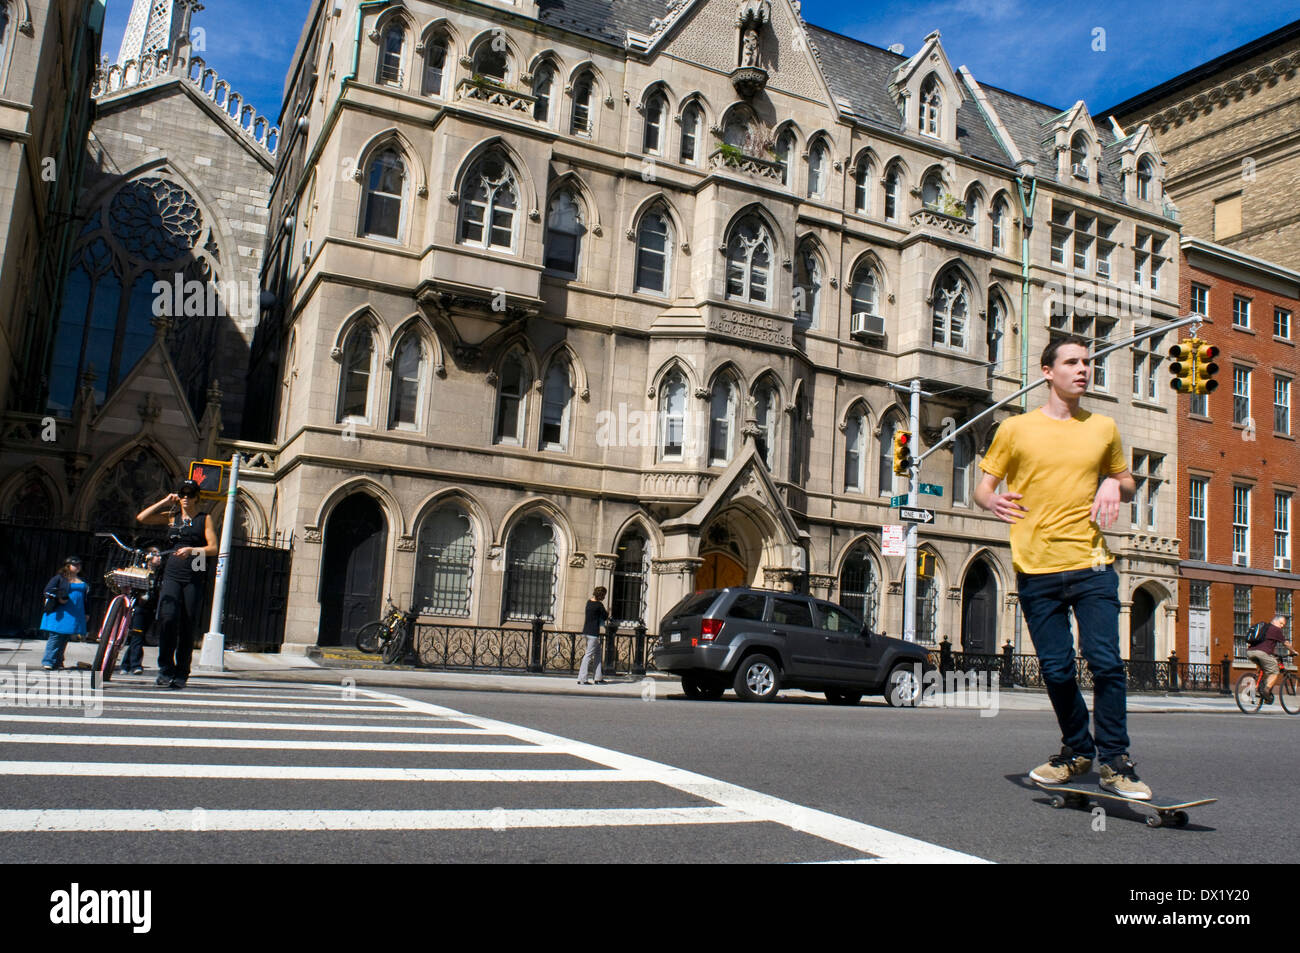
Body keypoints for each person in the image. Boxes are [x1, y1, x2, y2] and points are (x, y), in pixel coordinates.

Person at [974, 335, 1151, 800]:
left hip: (1092, 565)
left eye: (1087, 363)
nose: (1083, 369)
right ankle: (1076, 750)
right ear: (1047, 371)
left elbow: (1126, 479)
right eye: (1072, 362)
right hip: (1037, 569)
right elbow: (983, 487)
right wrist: (992, 499)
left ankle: (1115, 761)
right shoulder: (1016, 429)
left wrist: (1117, 485)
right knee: (1055, 670)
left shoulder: (1104, 428)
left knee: (1107, 664)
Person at [136, 480, 218, 690]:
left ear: (197, 498)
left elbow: (213, 547)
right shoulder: (173, 517)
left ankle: (182, 671)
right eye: (183, 494)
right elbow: (142, 518)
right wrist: (165, 500)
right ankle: (165, 669)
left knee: (187, 623)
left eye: (190, 495)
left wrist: (192, 549)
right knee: (168, 618)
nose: (186, 498)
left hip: (194, 570)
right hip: (172, 571)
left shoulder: (204, 518)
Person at [40, 557, 88, 671]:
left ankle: (58, 661)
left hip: (75, 613)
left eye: (79, 564)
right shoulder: (60, 578)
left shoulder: (82, 580)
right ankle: (48, 661)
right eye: (75, 564)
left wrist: (87, 612)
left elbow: (87, 599)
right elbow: (48, 591)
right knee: (56, 636)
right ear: (67, 565)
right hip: (60, 612)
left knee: (65, 637)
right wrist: (59, 598)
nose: (78, 566)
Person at [121, 545, 162, 676]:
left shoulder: (160, 573)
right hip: (139, 607)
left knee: (139, 636)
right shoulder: (141, 569)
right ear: (149, 556)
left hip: (151, 608)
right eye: (156, 554)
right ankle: (136, 665)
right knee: (137, 634)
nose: (159, 557)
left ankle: (125, 664)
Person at [1246, 615, 1295, 704]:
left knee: (1265, 669)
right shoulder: (1276, 629)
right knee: (1275, 671)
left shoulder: (1264, 628)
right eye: (1281, 623)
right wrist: (1293, 651)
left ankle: (1255, 689)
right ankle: (1266, 691)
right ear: (1275, 621)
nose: (1282, 626)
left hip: (1250, 652)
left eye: (1283, 625)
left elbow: (1265, 644)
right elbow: (1286, 643)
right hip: (1262, 653)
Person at [578, 586, 609, 686]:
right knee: (588, 655)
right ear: (602, 595)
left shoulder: (589, 602)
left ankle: (598, 677)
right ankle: (582, 679)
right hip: (593, 633)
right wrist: (608, 611)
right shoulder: (599, 605)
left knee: (598, 653)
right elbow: (605, 616)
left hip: (586, 631)